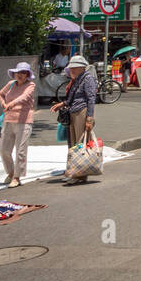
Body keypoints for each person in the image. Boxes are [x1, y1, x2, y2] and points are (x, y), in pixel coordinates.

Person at [50, 53, 97, 185]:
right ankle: (75, 172)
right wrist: (62, 104)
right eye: (71, 68)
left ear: (82, 68)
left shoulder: (87, 78)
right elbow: (71, 99)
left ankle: (80, 174)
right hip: (73, 112)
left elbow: (91, 98)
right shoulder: (76, 80)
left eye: (74, 67)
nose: (72, 70)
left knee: (80, 144)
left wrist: (89, 118)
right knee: (73, 145)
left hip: (82, 112)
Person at [0, 62, 36, 188]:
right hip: (8, 119)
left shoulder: (31, 85)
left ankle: (17, 177)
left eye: (23, 73)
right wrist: (3, 103)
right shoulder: (11, 84)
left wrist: (12, 103)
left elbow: (25, 97)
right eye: (18, 72)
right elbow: (0, 94)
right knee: (3, 150)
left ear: (27, 75)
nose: (20, 75)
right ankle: (11, 172)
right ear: (14, 73)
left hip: (24, 121)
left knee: (20, 151)